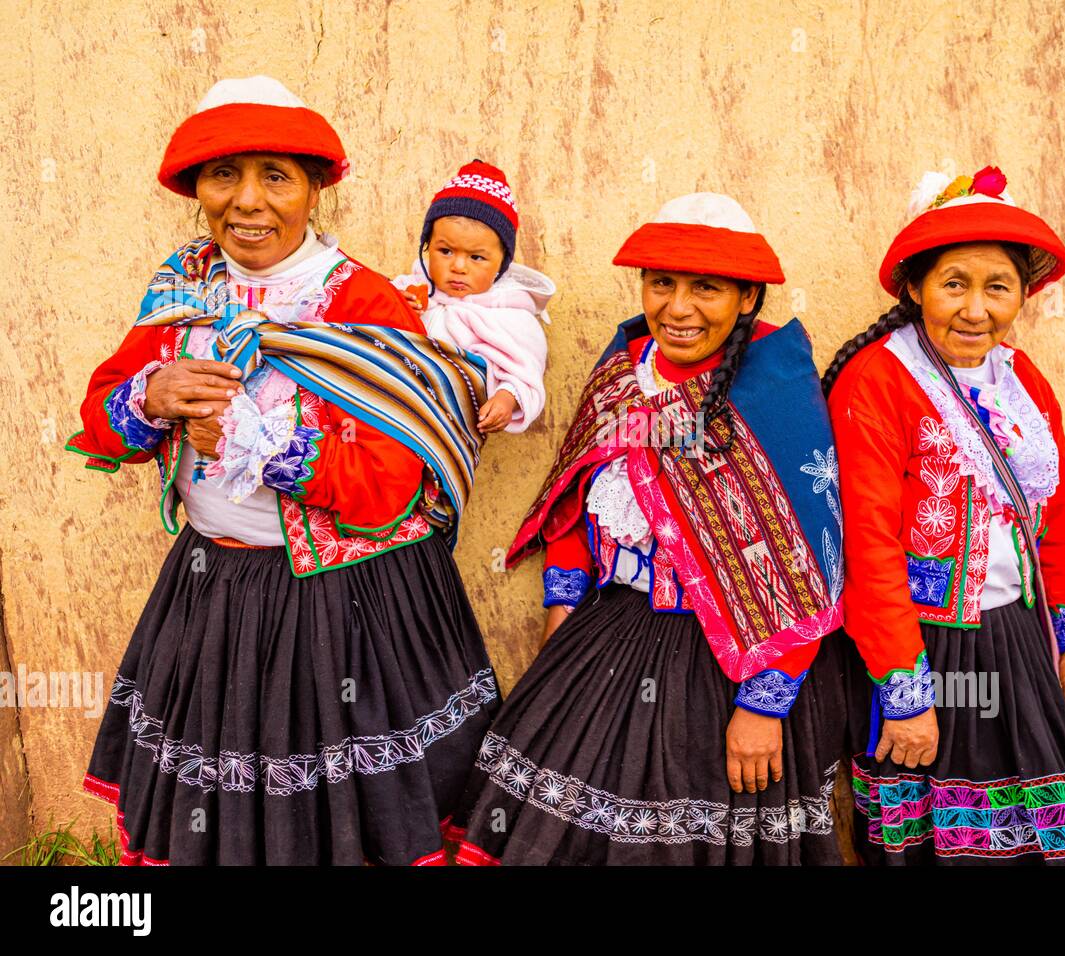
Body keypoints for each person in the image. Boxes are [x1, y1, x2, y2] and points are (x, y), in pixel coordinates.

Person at [66, 76, 499, 865]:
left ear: (315, 190)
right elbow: (100, 424)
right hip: (213, 592)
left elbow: (387, 487)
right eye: (223, 175)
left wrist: (259, 440)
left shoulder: (363, 304)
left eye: (276, 177)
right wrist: (152, 394)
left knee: (348, 816)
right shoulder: (184, 289)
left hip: (348, 605)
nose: (248, 202)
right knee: (224, 811)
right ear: (197, 190)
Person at [453, 192, 848, 865]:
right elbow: (574, 502)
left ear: (747, 298)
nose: (679, 307)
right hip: (611, 638)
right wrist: (560, 618)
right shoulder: (623, 375)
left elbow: (808, 562)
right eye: (661, 283)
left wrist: (764, 705)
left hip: (737, 666)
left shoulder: (775, 396)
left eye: (707, 288)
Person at [823, 165, 1065, 864]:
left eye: (997, 287)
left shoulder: (1022, 381)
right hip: (923, 649)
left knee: (1051, 833)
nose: (975, 310)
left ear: (1022, 294)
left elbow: (1059, 517)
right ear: (915, 288)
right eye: (953, 284)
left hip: (1020, 640)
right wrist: (905, 690)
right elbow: (867, 542)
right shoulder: (877, 380)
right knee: (942, 842)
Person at [391, 159, 555, 434]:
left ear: (501, 263)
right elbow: (370, 333)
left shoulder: (512, 317)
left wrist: (506, 399)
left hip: (451, 429)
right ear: (427, 247)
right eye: (445, 251)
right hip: (394, 414)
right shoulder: (408, 290)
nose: (458, 266)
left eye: (476, 257)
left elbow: (524, 371)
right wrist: (395, 307)